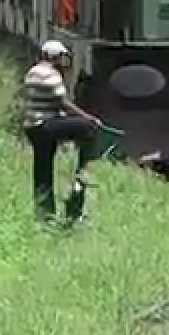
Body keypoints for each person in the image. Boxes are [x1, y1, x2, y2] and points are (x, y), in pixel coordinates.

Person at [22, 40, 102, 223]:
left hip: (32, 127)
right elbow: (63, 104)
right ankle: (83, 170)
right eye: (62, 58)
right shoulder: (50, 75)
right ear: (54, 57)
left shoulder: (32, 72)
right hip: (46, 125)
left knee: (42, 170)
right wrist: (88, 119)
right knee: (88, 128)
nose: (65, 62)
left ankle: (44, 214)